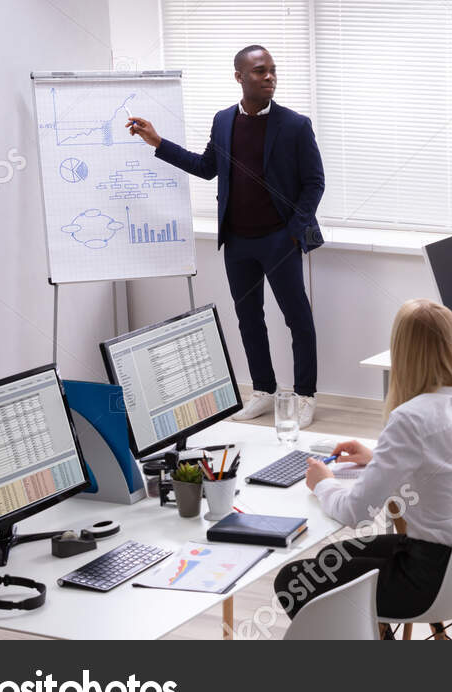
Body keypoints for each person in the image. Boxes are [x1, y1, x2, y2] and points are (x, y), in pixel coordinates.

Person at [128, 45, 325, 427]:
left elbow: (314, 182)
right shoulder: (223, 121)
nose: (269, 77)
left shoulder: (295, 125)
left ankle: (305, 395)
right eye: (259, 71)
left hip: (279, 241)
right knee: (249, 319)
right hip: (237, 242)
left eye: (272, 70)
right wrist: (158, 142)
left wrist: (294, 233)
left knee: (297, 319)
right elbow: (205, 168)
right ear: (239, 77)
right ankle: (264, 390)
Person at [274, 300, 452, 624]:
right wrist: (379, 457)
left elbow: (355, 513)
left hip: (428, 579)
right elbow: (443, 460)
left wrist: (323, 482)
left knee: (293, 582)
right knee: (329, 559)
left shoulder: (411, 417)